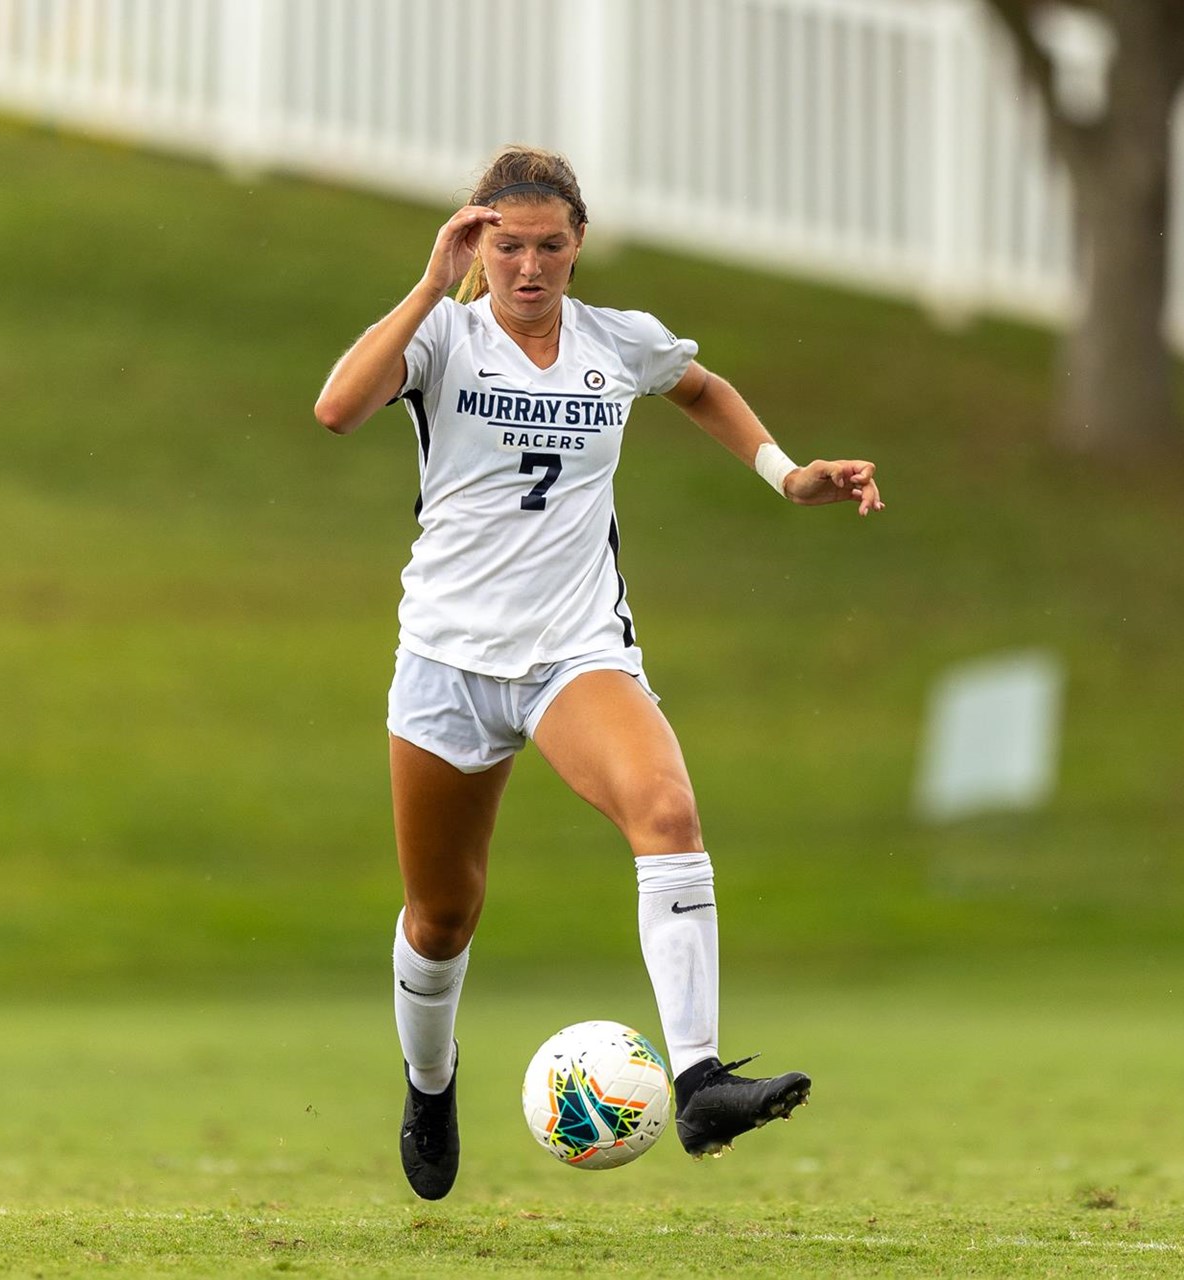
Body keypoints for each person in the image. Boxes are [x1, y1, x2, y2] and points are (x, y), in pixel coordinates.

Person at [313, 145, 883, 1201]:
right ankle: (429, 1082)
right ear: (476, 244)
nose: (529, 268)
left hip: (575, 655)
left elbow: (701, 387)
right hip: (446, 661)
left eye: (550, 247)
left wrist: (787, 473)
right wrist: (429, 283)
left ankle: (702, 1077)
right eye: (507, 246)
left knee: (665, 807)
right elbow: (337, 409)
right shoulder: (444, 335)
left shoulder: (620, 343)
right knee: (441, 915)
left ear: (578, 248)